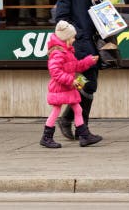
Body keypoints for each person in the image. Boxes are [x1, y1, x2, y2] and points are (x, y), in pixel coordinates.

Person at [54, 0, 103, 142]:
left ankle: (68, 119)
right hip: (78, 46)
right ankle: (82, 130)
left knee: (85, 84)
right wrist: (78, 35)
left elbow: (102, 18)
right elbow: (61, 17)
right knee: (88, 84)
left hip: (91, 44)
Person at [41, 20, 102, 148]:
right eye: (73, 37)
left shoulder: (67, 51)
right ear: (66, 38)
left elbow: (76, 67)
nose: (74, 39)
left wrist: (89, 61)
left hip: (69, 86)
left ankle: (84, 136)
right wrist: (71, 80)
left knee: (78, 109)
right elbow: (55, 72)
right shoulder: (58, 53)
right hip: (60, 87)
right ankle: (46, 137)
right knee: (56, 110)